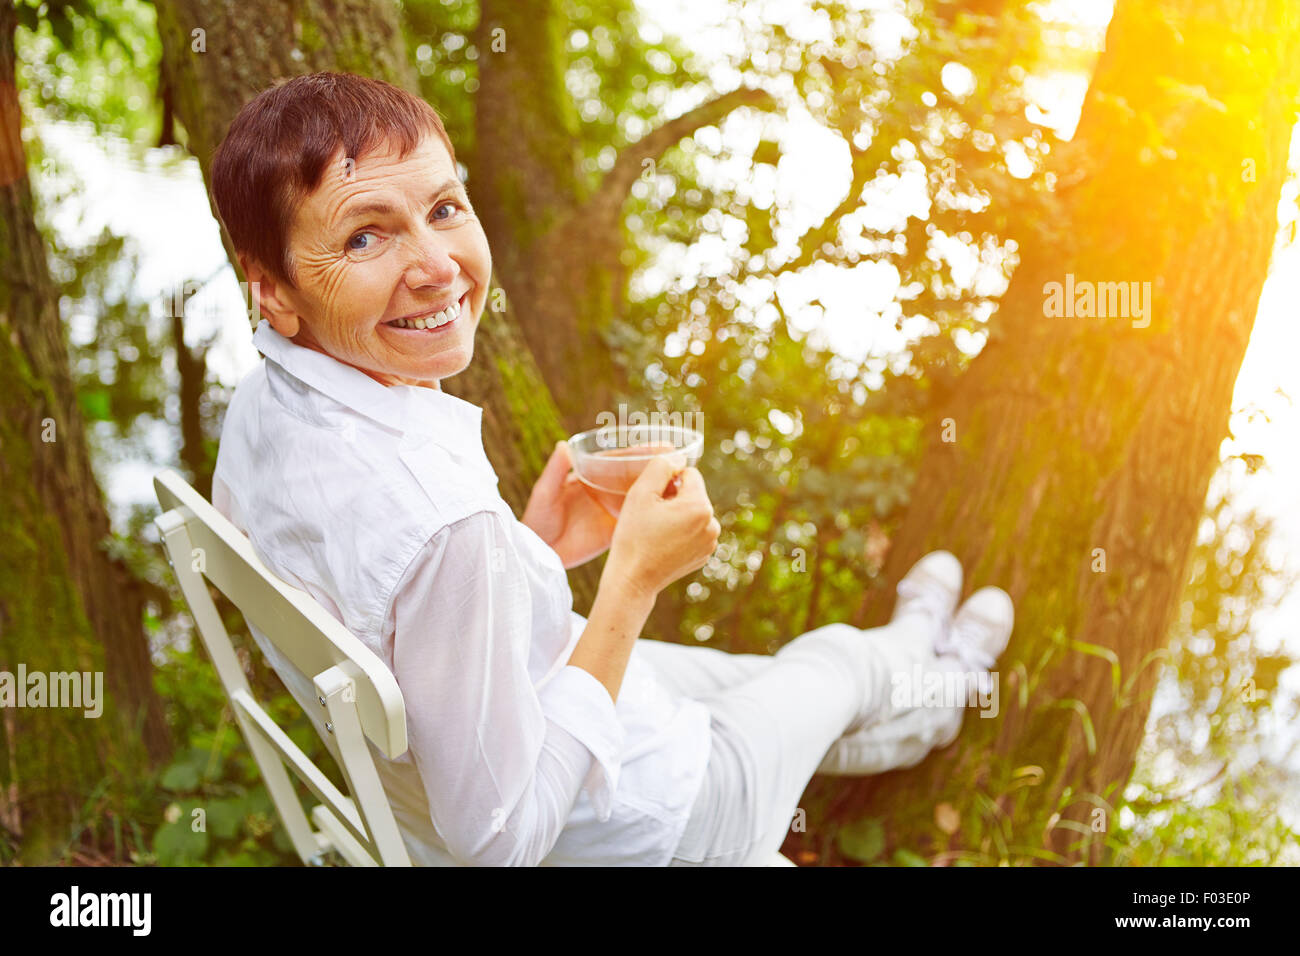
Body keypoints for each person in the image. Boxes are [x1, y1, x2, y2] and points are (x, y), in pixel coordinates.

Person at [207, 71, 1014, 867]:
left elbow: (387, 603)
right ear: (273, 290)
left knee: (769, 681)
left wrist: (528, 554)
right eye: (364, 236)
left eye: (445, 208)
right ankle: (937, 655)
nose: (438, 267)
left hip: (523, 716)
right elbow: (498, 843)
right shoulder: (446, 525)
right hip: (664, 822)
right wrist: (632, 578)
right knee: (838, 658)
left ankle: (938, 682)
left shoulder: (260, 410)